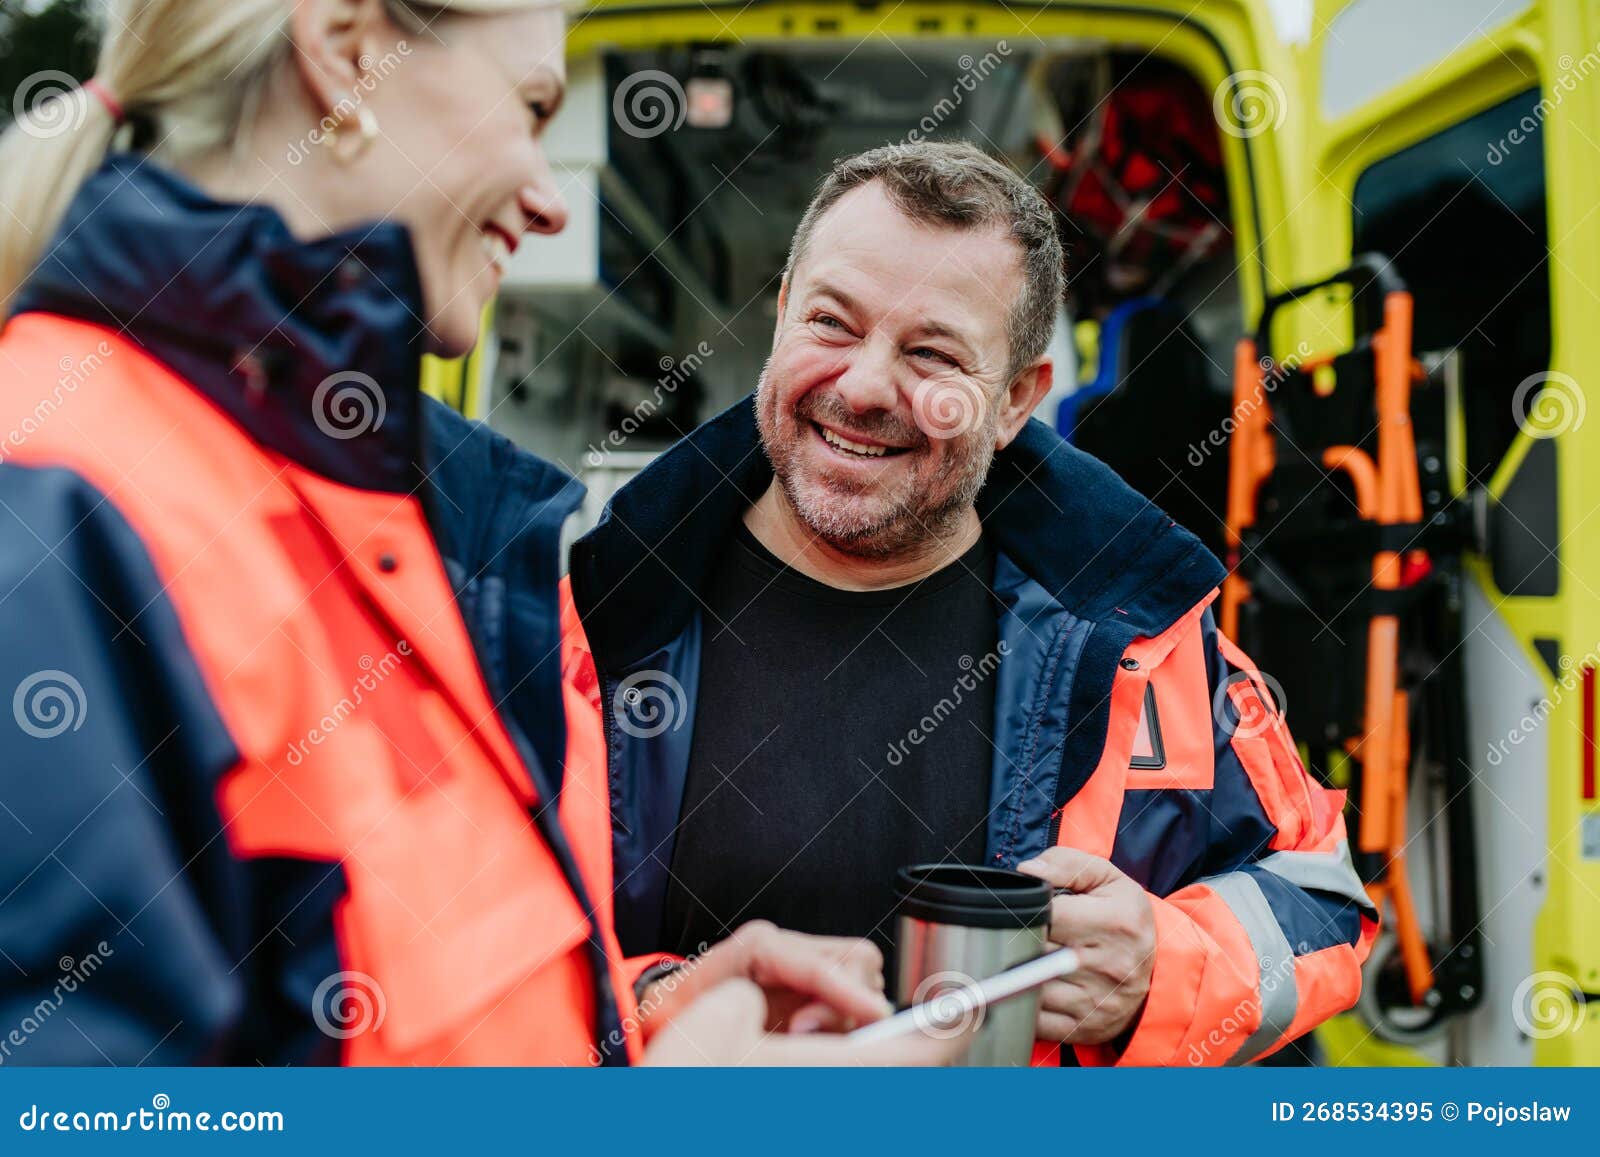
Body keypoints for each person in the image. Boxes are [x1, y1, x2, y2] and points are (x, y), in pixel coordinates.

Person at [0, 0, 961, 1067]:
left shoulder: (393, 512)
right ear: (348, 50)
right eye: (531, 106)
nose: (552, 202)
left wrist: (642, 1018)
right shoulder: (50, 502)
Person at [566, 141, 1379, 1066]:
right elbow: (450, 947)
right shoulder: (581, 627)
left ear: (1015, 400)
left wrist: (1165, 963)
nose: (865, 386)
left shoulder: (1146, 646)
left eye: (932, 353)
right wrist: (655, 1009)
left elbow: (1320, 902)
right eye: (832, 323)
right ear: (785, 310)